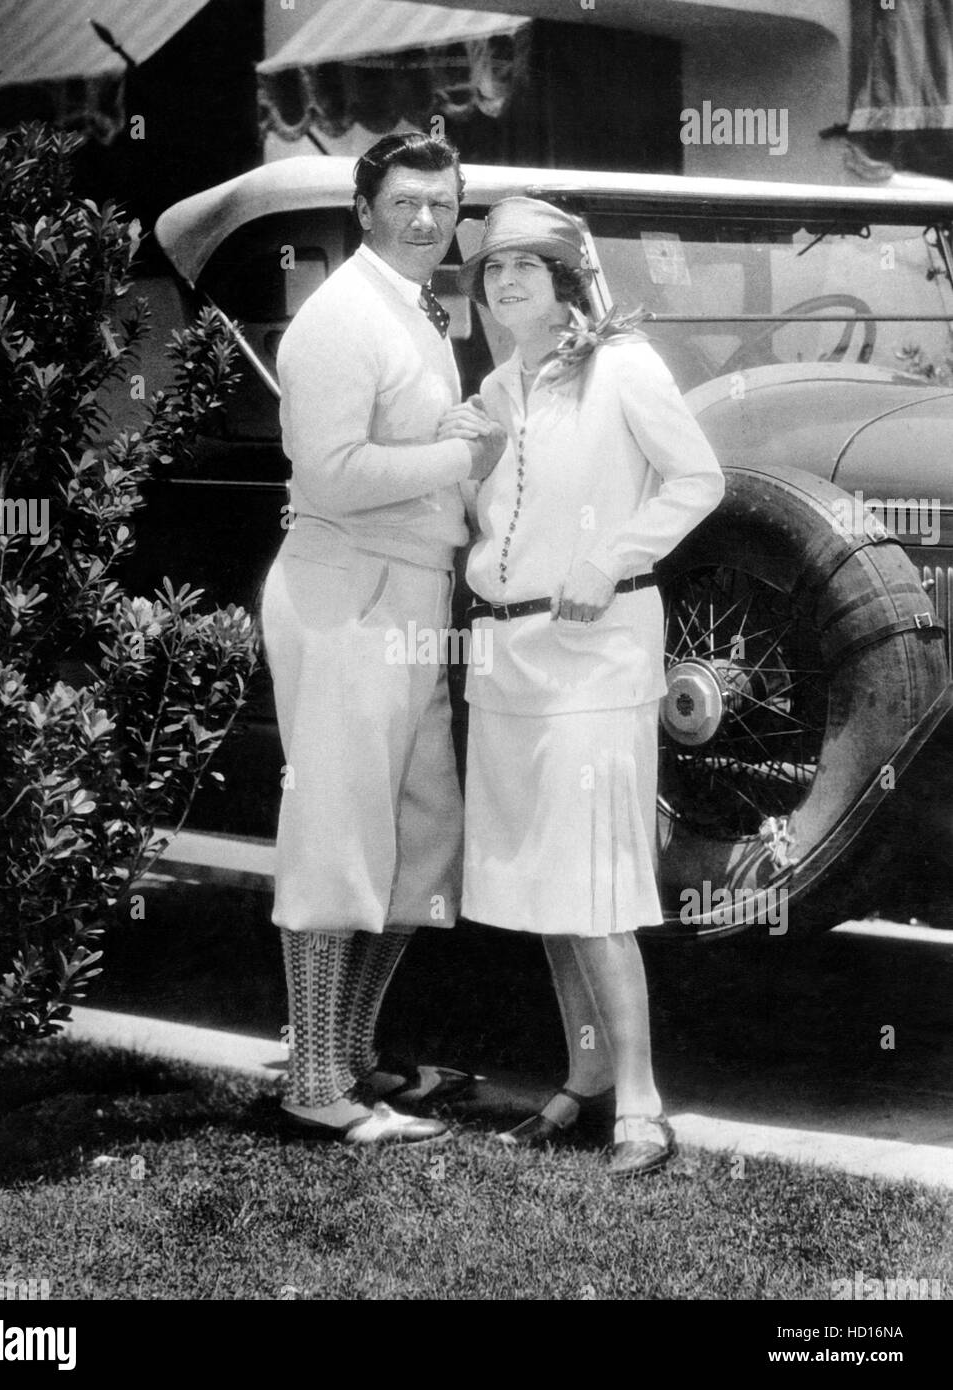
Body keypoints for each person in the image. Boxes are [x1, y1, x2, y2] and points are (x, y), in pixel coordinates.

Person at [443, 197, 724, 1174]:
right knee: (545, 886)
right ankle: (585, 1073)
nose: (505, 281)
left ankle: (641, 1101)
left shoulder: (623, 365)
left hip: (597, 656)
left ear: (567, 277)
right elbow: (494, 523)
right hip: (508, 657)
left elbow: (697, 480)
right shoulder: (497, 386)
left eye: (526, 265)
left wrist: (610, 554)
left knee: (598, 888)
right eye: (490, 269)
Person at [260, 134, 507, 1145]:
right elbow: (329, 475)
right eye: (404, 201)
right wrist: (457, 451)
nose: (424, 219)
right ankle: (312, 1086)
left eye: (441, 205)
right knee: (337, 835)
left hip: (412, 595)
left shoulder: (412, 312)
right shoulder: (338, 319)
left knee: (420, 838)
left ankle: (353, 1052)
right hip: (343, 587)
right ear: (362, 209)